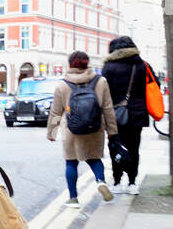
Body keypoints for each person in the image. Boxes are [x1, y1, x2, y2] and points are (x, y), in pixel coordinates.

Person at [47, 51, 119, 208]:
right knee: (94, 158)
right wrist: (112, 131)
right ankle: (101, 181)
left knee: (71, 162)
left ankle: (73, 199)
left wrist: (51, 132)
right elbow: (108, 108)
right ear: (87, 63)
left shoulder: (62, 85)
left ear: (70, 64)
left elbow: (56, 112)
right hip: (95, 128)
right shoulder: (101, 82)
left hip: (72, 130)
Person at [100, 36, 154, 194]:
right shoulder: (142, 65)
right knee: (134, 148)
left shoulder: (109, 67)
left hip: (114, 114)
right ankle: (132, 182)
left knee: (115, 147)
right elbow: (153, 85)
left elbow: (104, 91)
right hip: (137, 114)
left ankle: (117, 182)